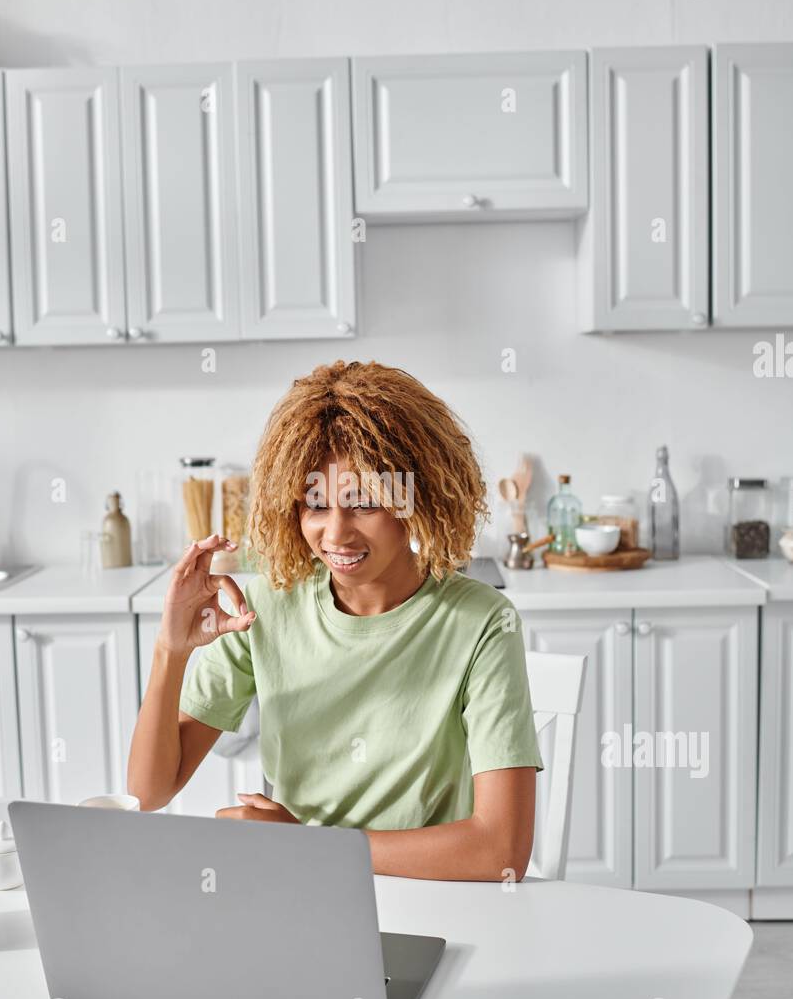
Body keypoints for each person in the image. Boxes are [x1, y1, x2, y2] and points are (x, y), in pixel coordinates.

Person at [128, 360, 542, 882]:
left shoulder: (481, 622)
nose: (335, 535)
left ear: (417, 500)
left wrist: (309, 846)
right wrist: (171, 649)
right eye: (315, 505)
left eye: (363, 503)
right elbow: (147, 793)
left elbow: (500, 852)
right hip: (297, 891)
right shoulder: (268, 608)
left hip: (432, 900)